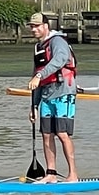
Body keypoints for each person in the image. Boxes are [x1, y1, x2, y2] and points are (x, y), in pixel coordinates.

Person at [27, 12, 79, 183]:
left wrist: (40, 76)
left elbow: (61, 59)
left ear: (46, 26)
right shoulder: (38, 47)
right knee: (46, 134)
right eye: (32, 26)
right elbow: (35, 77)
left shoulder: (58, 41)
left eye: (37, 26)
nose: (34, 29)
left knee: (62, 133)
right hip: (47, 94)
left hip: (64, 91)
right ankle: (51, 174)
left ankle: (73, 175)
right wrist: (34, 105)